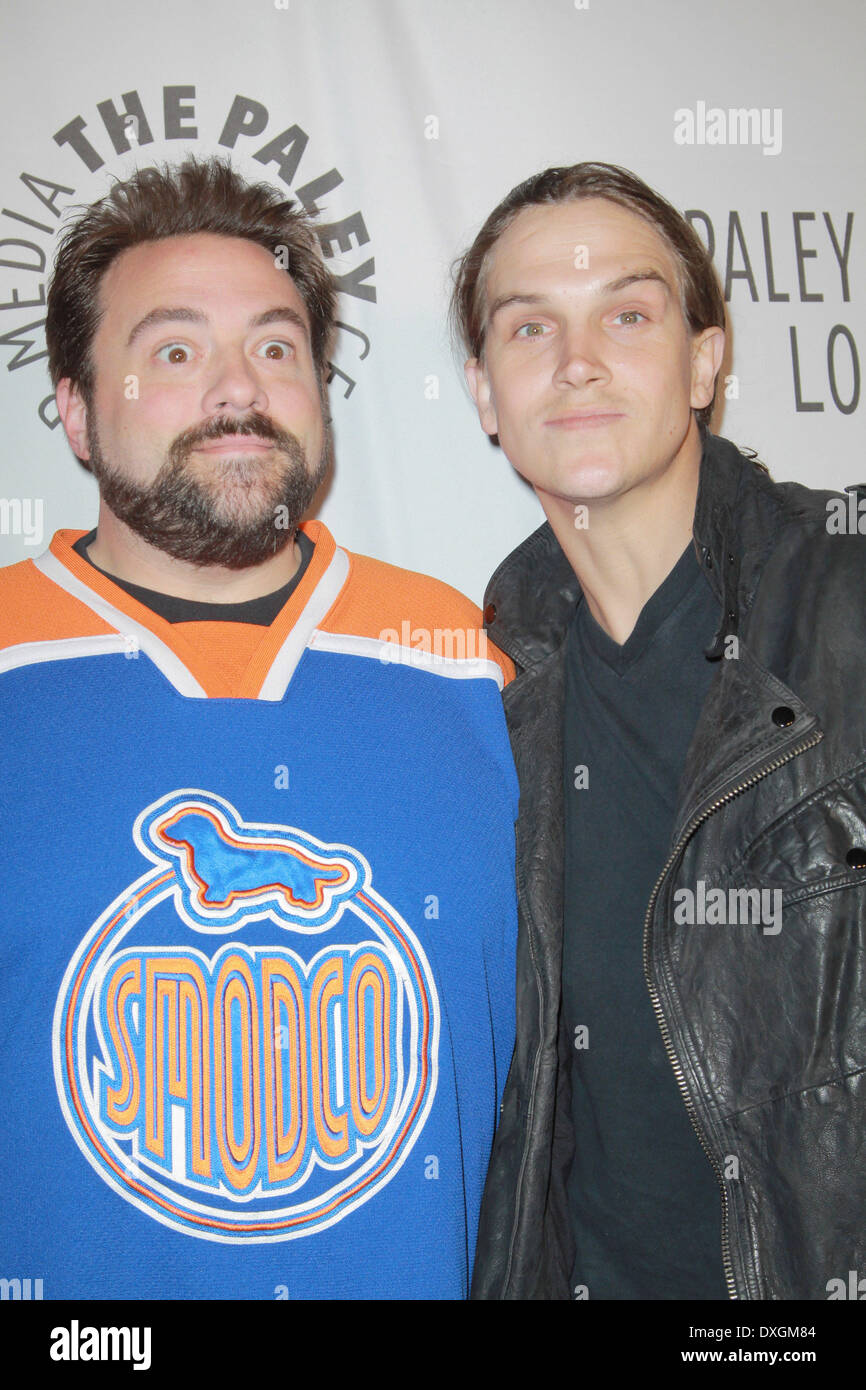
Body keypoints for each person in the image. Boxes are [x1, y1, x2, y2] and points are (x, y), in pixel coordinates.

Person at [0, 156, 517, 1301]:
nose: (238, 388)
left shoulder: (473, 663)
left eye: (276, 347)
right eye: (174, 351)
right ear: (77, 410)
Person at [451, 161, 866, 1300]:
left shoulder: (846, 603)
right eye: (528, 326)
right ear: (485, 392)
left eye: (625, 315)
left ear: (702, 359)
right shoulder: (475, 677)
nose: (575, 360)